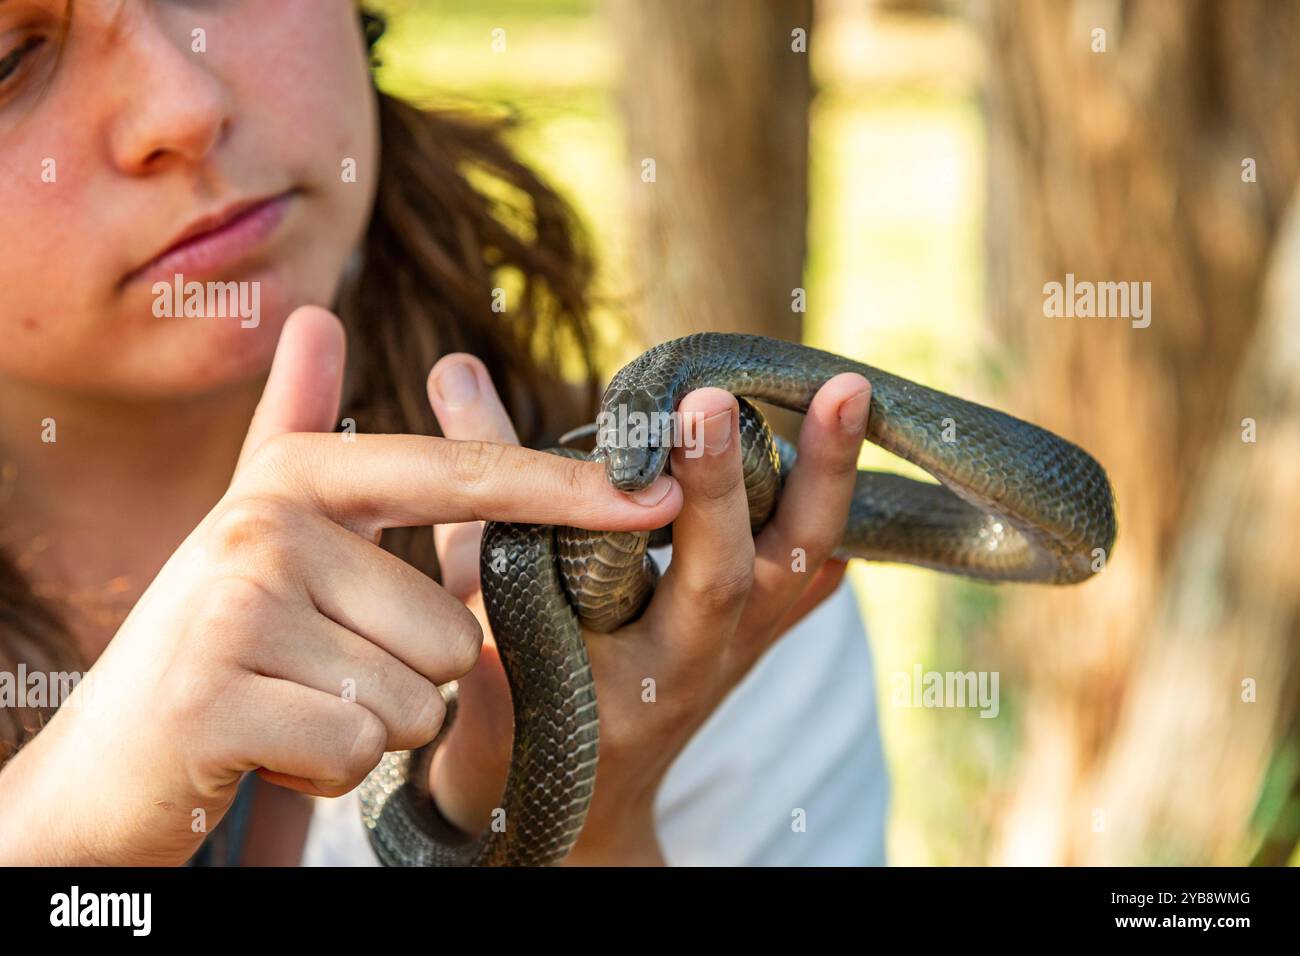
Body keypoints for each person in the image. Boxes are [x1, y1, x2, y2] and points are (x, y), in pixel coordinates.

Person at [0, 1, 888, 866]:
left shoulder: (719, 585)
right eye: (9, 57)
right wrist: (48, 837)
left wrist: (587, 826)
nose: (183, 107)